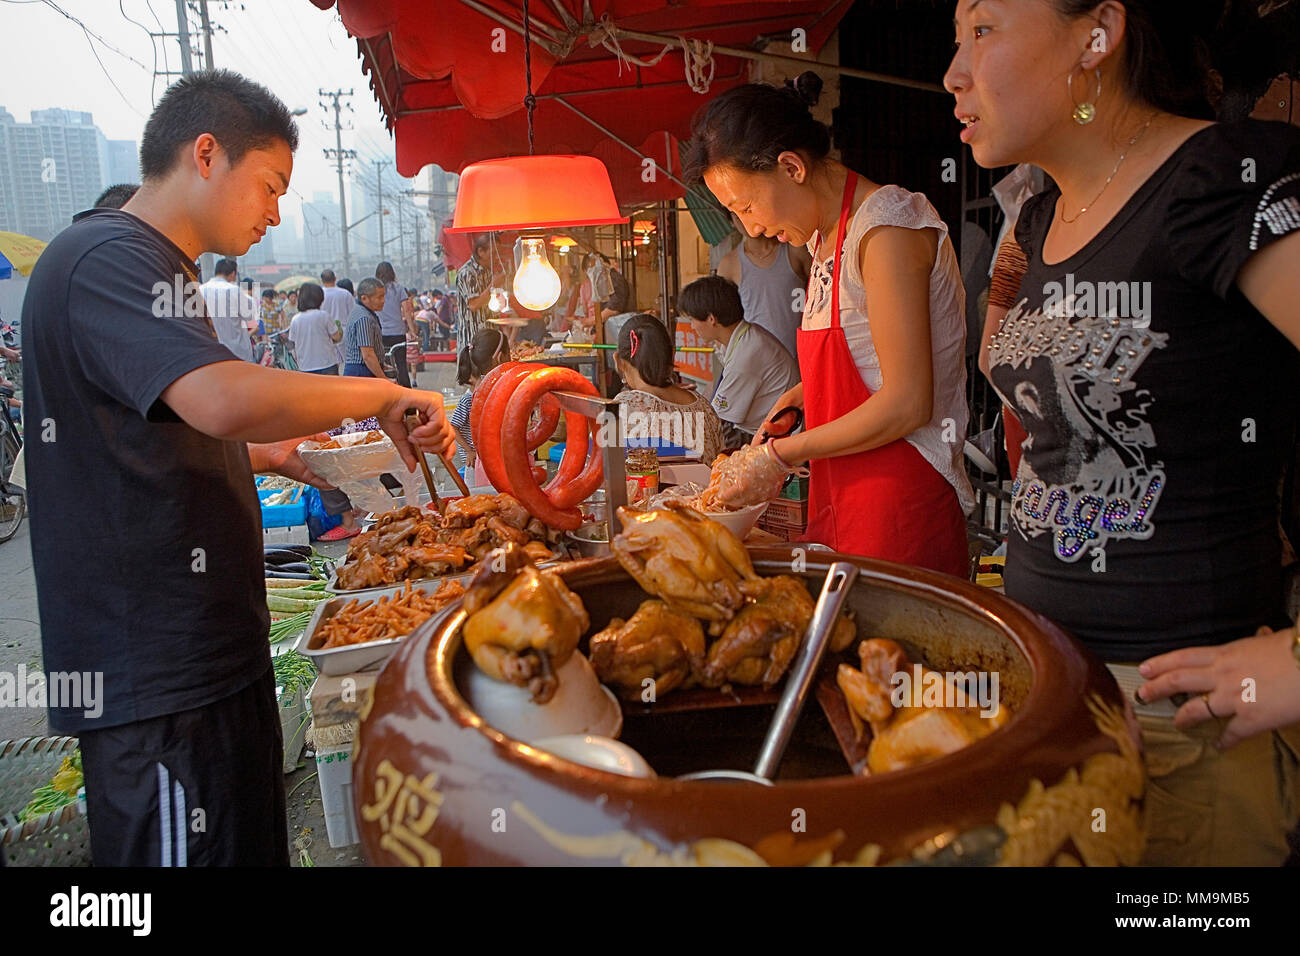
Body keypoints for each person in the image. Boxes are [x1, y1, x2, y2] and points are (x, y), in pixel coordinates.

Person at [21, 69, 455, 867]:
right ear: (207, 153)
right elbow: (220, 399)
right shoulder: (109, 256)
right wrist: (384, 392)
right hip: (158, 683)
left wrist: (274, 455)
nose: (276, 211)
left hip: (206, 663)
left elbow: (158, 429)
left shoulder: (155, 266)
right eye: (270, 184)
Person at [946, 0, 1300, 864]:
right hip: (1054, 689)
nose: (953, 74)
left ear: (1097, 35)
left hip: (1180, 716)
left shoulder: (1221, 179)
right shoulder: (1039, 218)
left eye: (983, 30)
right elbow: (1022, 389)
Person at [684, 73, 974, 577]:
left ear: (791, 166)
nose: (750, 228)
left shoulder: (887, 230)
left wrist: (776, 458)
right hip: (842, 493)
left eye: (746, 206)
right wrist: (804, 391)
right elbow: (865, 359)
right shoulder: (822, 241)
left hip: (900, 505)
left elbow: (907, 401)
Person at [677, 275, 799, 449]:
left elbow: (717, 422)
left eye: (693, 319)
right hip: (761, 431)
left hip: (771, 439)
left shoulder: (746, 355)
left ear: (711, 319)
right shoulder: (743, 338)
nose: (693, 326)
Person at [613, 314, 725, 464]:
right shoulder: (703, 406)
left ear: (618, 362)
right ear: (673, 355)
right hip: (709, 487)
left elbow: (599, 462)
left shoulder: (623, 407)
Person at [718, 216, 812, 360]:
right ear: (731, 220)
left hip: (801, 356)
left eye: (746, 210)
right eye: (735, 213)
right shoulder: (729, 264)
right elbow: (726, 321)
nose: (744, 219)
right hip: (756, 362)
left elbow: (820, 295)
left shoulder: (796, 251)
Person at [449, 327, 509, 480]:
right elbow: (452, 426)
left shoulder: (494, 391)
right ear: (501, 357)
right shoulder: (470, 399)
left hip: (492, 460)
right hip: (476, 463)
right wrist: (469, 450)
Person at [199, 257, 257, 361]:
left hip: (211, 353)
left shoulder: (200, 290)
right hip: (237, 351)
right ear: (233, 273)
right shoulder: (233, 290)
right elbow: (248, 315)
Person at [456, 234, 502, 347]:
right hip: (472, 342)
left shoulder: (489, 271)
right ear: (481, 252)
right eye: (493, 253)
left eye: (498, 253)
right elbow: (474, 305)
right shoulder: (467, 273)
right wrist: (493, 285)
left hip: (490, 338)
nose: (497, 257)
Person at [373, 262, 413, 387]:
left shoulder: (374, 290)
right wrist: (412, 330)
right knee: (401, 364)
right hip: (398, 332)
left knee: (383, 364)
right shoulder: (399, 288)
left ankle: (387, 390)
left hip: (380, 333)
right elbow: (406, 310)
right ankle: (407, 393)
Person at [288, 282, 339, 375]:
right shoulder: (324, 315)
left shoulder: (295, 319)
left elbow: (292, 342)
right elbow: (336, 336)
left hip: (305, 365)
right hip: (327, 363)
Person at [344, 277, 387, 379]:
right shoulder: (364, 318)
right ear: (364, 298)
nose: (383, 301)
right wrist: (384, 379)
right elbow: (368, 355)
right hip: (361, 371)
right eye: (379, 297)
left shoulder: (363, 312)